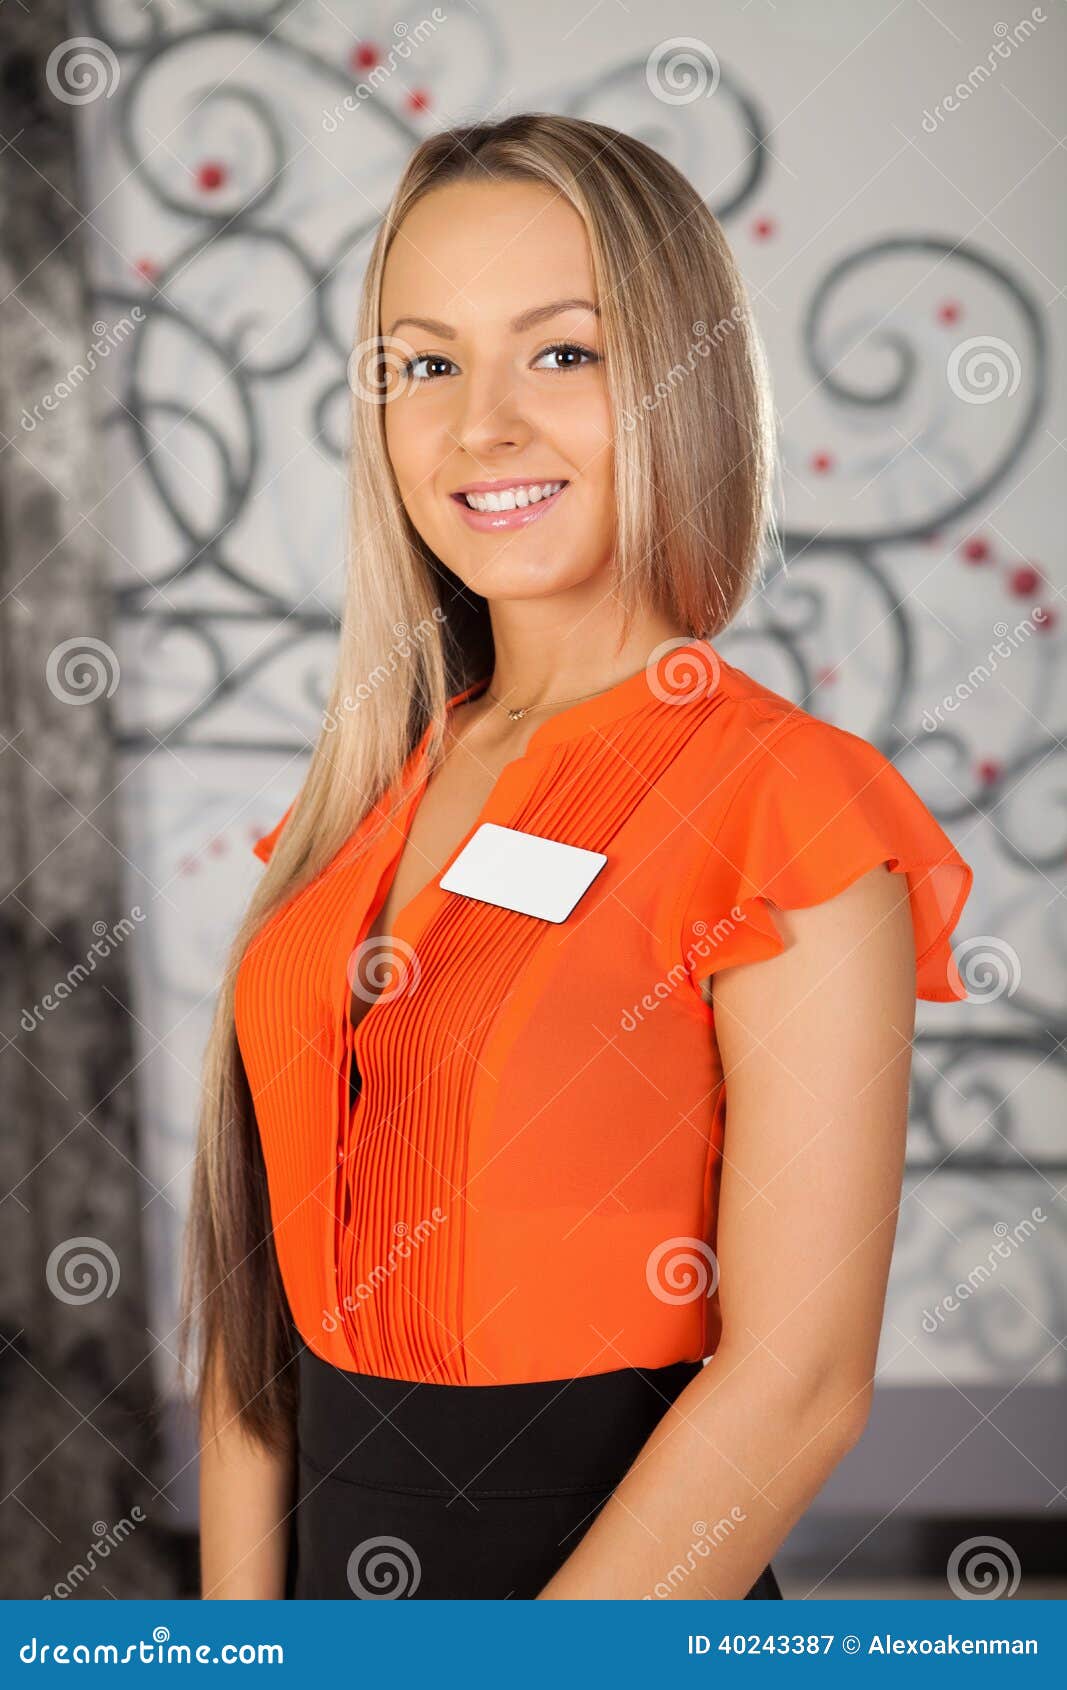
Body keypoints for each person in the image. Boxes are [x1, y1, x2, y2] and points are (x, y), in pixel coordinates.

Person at [181, 113, 973, 1601]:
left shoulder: (786, 805)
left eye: (564, 353)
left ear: (686, 385)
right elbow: (253, 1317)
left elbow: (797, 1389)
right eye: (426, 364)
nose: (482, 426)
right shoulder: (362, 793)